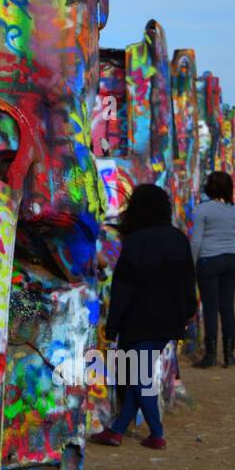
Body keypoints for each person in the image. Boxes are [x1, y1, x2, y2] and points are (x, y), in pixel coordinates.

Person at [89, 184, 197, 451]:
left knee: (138, 378)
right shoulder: (178, 238)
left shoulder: (135, 241)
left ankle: (156, 433)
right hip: (168, 320)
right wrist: (187, 313)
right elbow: (187, 280)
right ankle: (116, 430)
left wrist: (112, 326)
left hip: (138, 320)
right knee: (139, 374)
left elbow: (123, 289)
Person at [191, 171, 235, 368]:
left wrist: (191, 263)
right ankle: (229, 355)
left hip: (208, 260)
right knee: (227, 307)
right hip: (230, 259)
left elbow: (196, 241)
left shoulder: (202, 210)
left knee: (211, 309)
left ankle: (210, 356)